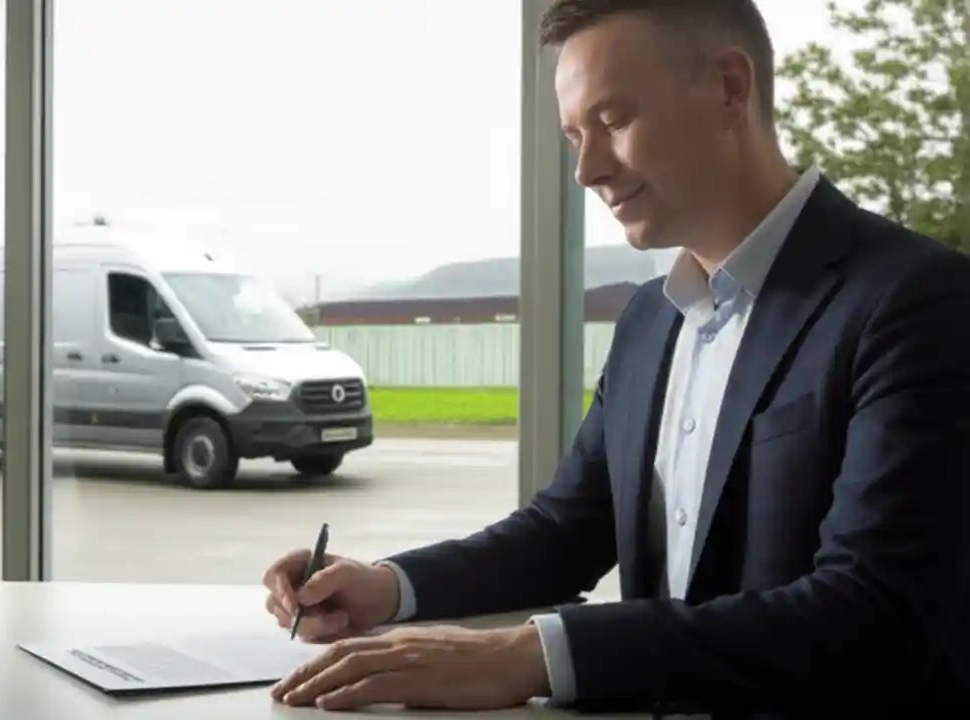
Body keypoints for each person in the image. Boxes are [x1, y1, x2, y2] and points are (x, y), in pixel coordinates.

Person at [262, 0, 970, 715]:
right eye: (575, 136)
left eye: (614, 121)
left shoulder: (918, 302)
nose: (587, 170)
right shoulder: (649, 320)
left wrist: (530, 654)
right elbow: (566, 531)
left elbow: (873, 614)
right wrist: (386, 587)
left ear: (730, 87)